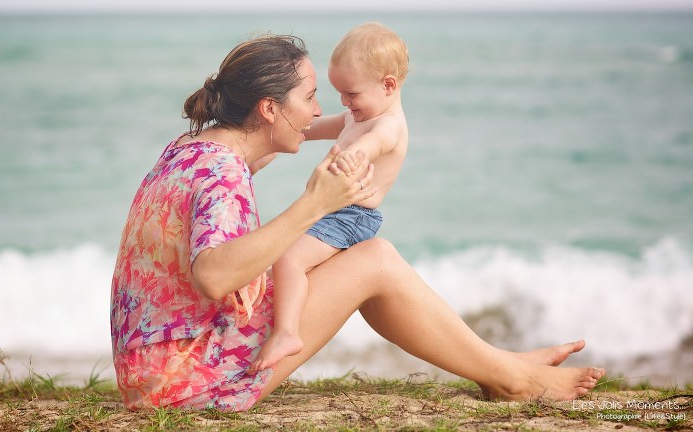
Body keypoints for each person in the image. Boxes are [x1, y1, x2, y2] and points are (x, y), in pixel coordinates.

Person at [109, 34, 605, 412]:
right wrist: (313, 204)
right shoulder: (222, 171)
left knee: (371, 257)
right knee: (376, 261)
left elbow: (224, 215)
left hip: (152, 364)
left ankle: (502, 366)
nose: (320, 111)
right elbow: (213, 275)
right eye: (309, 97)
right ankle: (513, 378)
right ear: (269, 108)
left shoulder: (196, 151)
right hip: (183, 380)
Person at [250, 23, 410, 372]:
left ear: (388, 85)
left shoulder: (388, 125)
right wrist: (272, 141)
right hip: (335, 212)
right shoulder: (360, 115)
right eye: (339, 93)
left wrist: (354, 155)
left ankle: (288, 333)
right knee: (289, 261)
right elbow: (310, 131)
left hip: (351, 217)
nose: (343, 102)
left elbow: (375, 144)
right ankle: (276, 327)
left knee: (288, 260)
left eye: (351, 94)